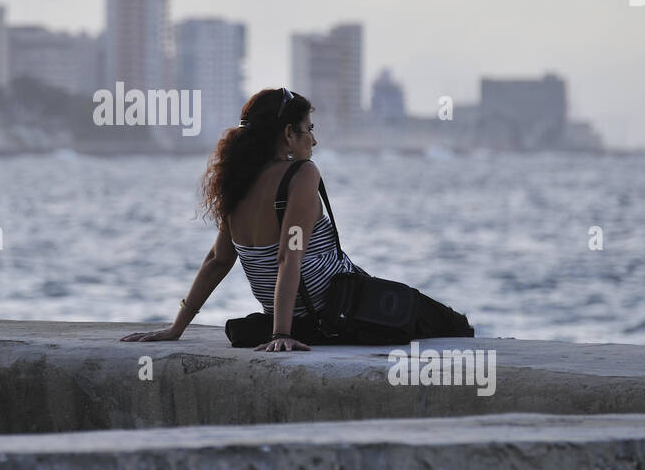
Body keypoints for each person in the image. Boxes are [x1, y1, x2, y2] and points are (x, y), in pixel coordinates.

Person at [121, 86, 472, 352]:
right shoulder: (302, 174)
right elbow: (291, 255)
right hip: (340, 308)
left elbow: (217, 260)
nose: (314, 140)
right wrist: (281, 335)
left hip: (299, 316)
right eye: (308, 130)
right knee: (457, 328)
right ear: (288, 134)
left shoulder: (236, 181)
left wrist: (176, 327)